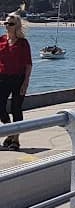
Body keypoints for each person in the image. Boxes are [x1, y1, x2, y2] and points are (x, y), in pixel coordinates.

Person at [0, 13, 32, 151]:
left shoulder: (23, 43)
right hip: (2, 78)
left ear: (17, 26)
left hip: (18, 79)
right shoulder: (1, 40)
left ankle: (16, 140)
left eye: (11, 24)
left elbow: (28, 64)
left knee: (16, 108)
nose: (7, 26)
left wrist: (25, 82)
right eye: (6, 23)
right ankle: (10, 131)